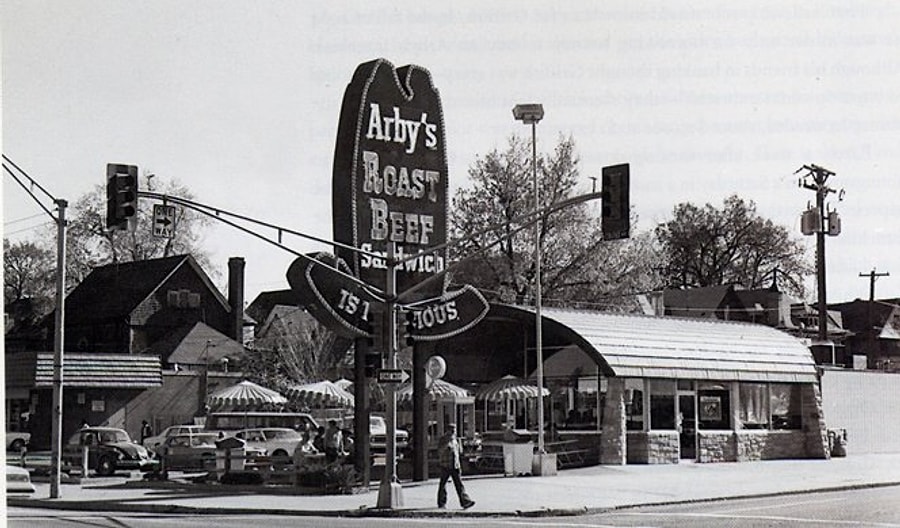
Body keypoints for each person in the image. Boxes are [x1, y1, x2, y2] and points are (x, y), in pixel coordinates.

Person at [436, 423, 475, 509]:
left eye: (454, 430)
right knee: (443, 484)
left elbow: (459, 452)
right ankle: (441, 502)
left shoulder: (456, 440)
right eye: (451, 430)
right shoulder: (443, 439)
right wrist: (446, 444)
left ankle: (465, 501)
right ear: (447, 431)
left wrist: (459, 465)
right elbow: (440, 451)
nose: (453, 432)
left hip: (455, 465)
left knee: (459, 485)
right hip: (445, 465)